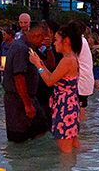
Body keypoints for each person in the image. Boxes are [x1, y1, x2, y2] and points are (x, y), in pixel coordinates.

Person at [35, 22, 83, 153]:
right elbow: (54, 77)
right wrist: (41, 65)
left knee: (65, 150)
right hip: (70, 104)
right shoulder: (72, 58)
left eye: (56, 40)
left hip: (65, 107)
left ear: (65, 41)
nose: (54, 43)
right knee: (73, 145)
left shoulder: (67, 60)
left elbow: (50, 81)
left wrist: (37, 65)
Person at [3, 25, 50, 143]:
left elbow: (49, 64)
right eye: (43, 39)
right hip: (18, 99)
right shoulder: (21, 49)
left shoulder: (30, 47)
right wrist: (27, 104)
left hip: (29, 97)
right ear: (37, 35)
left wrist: (49, 48)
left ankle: (33, 158)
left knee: (41, 127)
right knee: (19, 136)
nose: (43, 42)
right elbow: (19, 77)